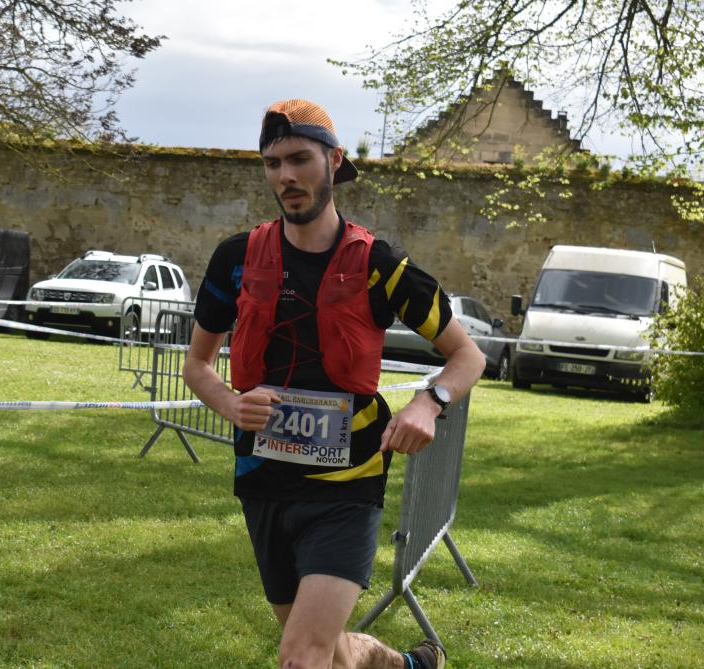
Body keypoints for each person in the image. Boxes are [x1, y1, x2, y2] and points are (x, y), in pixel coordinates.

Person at [182, 99, 484, 669]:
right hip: (263, 478)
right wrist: (230, 404)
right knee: (327, 651)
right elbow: (197, 364)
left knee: (300, 656)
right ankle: (399, 664)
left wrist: (429, 402)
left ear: (334, 161)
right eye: (273, 164)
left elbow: (467, 356)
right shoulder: (236, 259)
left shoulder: (380, 265)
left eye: (299, 159)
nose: (286, 176)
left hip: (349, 484)